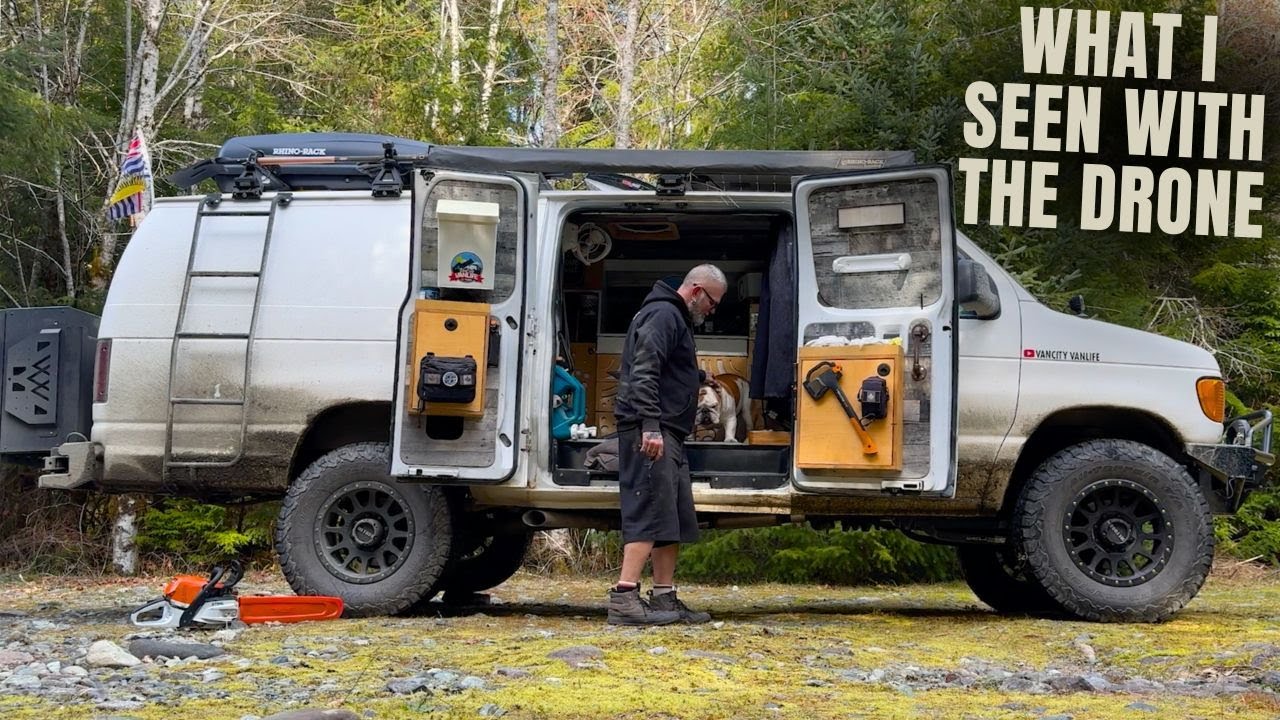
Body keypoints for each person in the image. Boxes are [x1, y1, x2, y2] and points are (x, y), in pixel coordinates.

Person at [607, 264, 726, 625]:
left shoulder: (674, 318)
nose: (712, 310)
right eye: (712, 302)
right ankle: (624, 598)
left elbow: (669, 366)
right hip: (651, 432)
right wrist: (650, 426)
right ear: (695, 290)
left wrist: (699, 376)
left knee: (671, 516)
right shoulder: (663, 315)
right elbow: (644, 370)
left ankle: (663, 598)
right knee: (649, 509)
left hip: (670, 431)